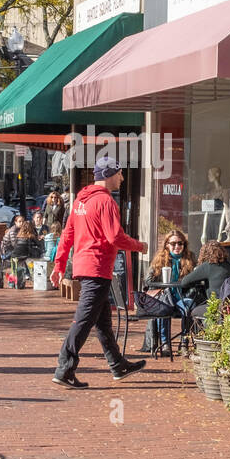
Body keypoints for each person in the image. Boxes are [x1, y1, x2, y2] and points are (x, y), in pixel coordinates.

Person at [49, 160, 147, 387]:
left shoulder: (81, 201)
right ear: (109, 174)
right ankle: (64, 368)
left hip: (86, 267)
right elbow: (115, 237)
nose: (122, 179)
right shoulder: (105, 201)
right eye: (120, 174)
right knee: (83, 320)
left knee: (102, 321)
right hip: (98, 268)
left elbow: (67, 236)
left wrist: (59, 266)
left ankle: (118, 365)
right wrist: (139, 246)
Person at [143, 229, 196, 354]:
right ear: (167, 245)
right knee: (163, 307)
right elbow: (148, 280)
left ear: (184, 245)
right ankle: (165, 343)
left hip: (182, 296)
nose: (177, 246)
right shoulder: (160, 259)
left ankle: (184, 342)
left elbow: (196, 279)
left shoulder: (190, 258)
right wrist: (161, 286)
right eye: (173, 244)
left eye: (180, 243)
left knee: (188, 307)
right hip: (166, 297)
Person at [177, 240, 230, 315]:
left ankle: (192, 327)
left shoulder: (208, 266)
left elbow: (184, 282)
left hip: (217, 306)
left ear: (204, 254)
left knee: (194, 312)